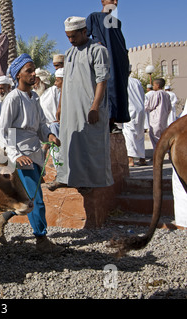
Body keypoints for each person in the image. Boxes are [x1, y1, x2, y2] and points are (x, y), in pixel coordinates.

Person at [0, 54, 64, 254]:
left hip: (35, 153)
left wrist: (49, 135)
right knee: (35, 198)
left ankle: (0, 220)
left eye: (34, 70)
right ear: (18, 75)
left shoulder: (35, 97)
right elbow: (2, 132)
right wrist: (16, 154)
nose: (33, 74)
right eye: (28, 71)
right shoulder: (12, 98)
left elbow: (40, 125)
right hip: (20, 155)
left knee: (29, 195)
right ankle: (41, 239)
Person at [48, 16, 112, 193]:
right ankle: (65, 178)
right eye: (68, 36)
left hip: (88, 107)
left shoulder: (98, 51)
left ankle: (89, 181)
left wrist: (95, 107)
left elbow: (102, 81)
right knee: (70, 142)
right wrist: (60, 106)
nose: (70, 40)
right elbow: (66, 83)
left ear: (84, 31)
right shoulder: (69, 53)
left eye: (74, 36)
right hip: (70, 108)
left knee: (89, 145)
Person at [86, 0, 130, 132]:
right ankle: (106, 121)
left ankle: (113, 122)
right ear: (103, 1)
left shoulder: (117, 22)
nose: (115, 2)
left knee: (117, 90)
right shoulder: (94, 17)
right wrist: (96, 45)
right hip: (104, 60)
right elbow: (85, 37)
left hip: (118, 62)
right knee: (106, 88)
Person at [123, 67, 146, 167]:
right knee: (140, 134)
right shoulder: (137, 81)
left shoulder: (122, 81)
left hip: (129, 108)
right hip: (140, 109)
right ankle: (142, 159)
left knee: (129, 134)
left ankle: (130, 160)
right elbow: (142, 95)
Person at [145, 78, 172, 150]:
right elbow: (169, 108)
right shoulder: (166, 95)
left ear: (158, 85)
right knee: (162, 137)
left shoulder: (156, 94)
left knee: (155, 138)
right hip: (164, 119)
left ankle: (157, 155)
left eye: (153, 85)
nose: (153, 87)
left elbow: (149, 106)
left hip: (155, 120)